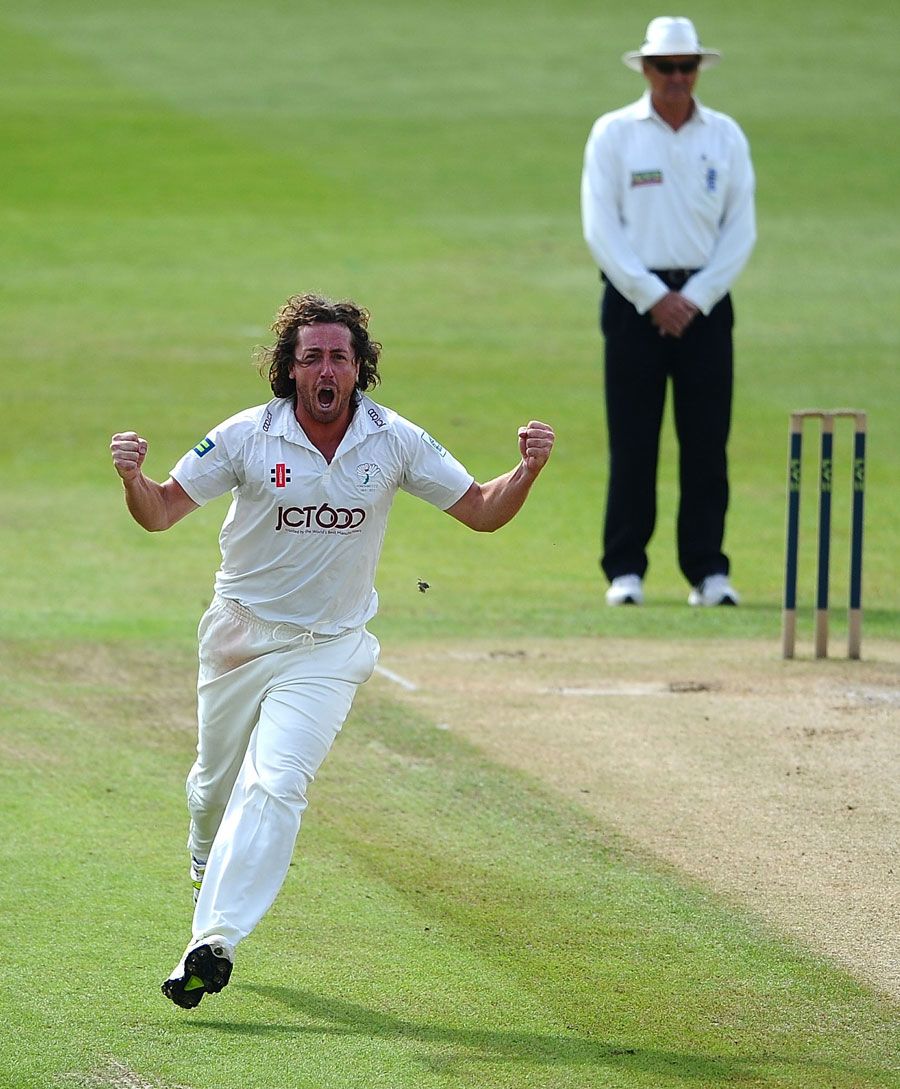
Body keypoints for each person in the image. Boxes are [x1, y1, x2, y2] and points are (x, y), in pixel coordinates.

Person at [109, 293, 555, 1008]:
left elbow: (479, 508)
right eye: (310, 355)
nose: (325, 368)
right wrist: (134, 479)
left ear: (359, 368)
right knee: (213, 790)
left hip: (328, 649)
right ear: (289, 369)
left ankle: (212, 939)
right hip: (239, 638)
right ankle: (205, 853)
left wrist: (526, 472)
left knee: (277, 779)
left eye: (338, 357)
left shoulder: (393, 439)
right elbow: (161, 512)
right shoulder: (247, 435)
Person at [580, 16, 756, 606]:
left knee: (707, 442)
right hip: (635, 304)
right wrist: (654, 296)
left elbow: (741, 228)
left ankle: (709, 571)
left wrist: (695, 298)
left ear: (697, 69)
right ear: (647, 70)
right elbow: (601, 227)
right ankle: (625, 570)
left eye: (686, 67)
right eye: (666, 67)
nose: (677, 78)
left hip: (705, 304)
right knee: (633, 440)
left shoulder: (725, 135)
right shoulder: (615, 133)